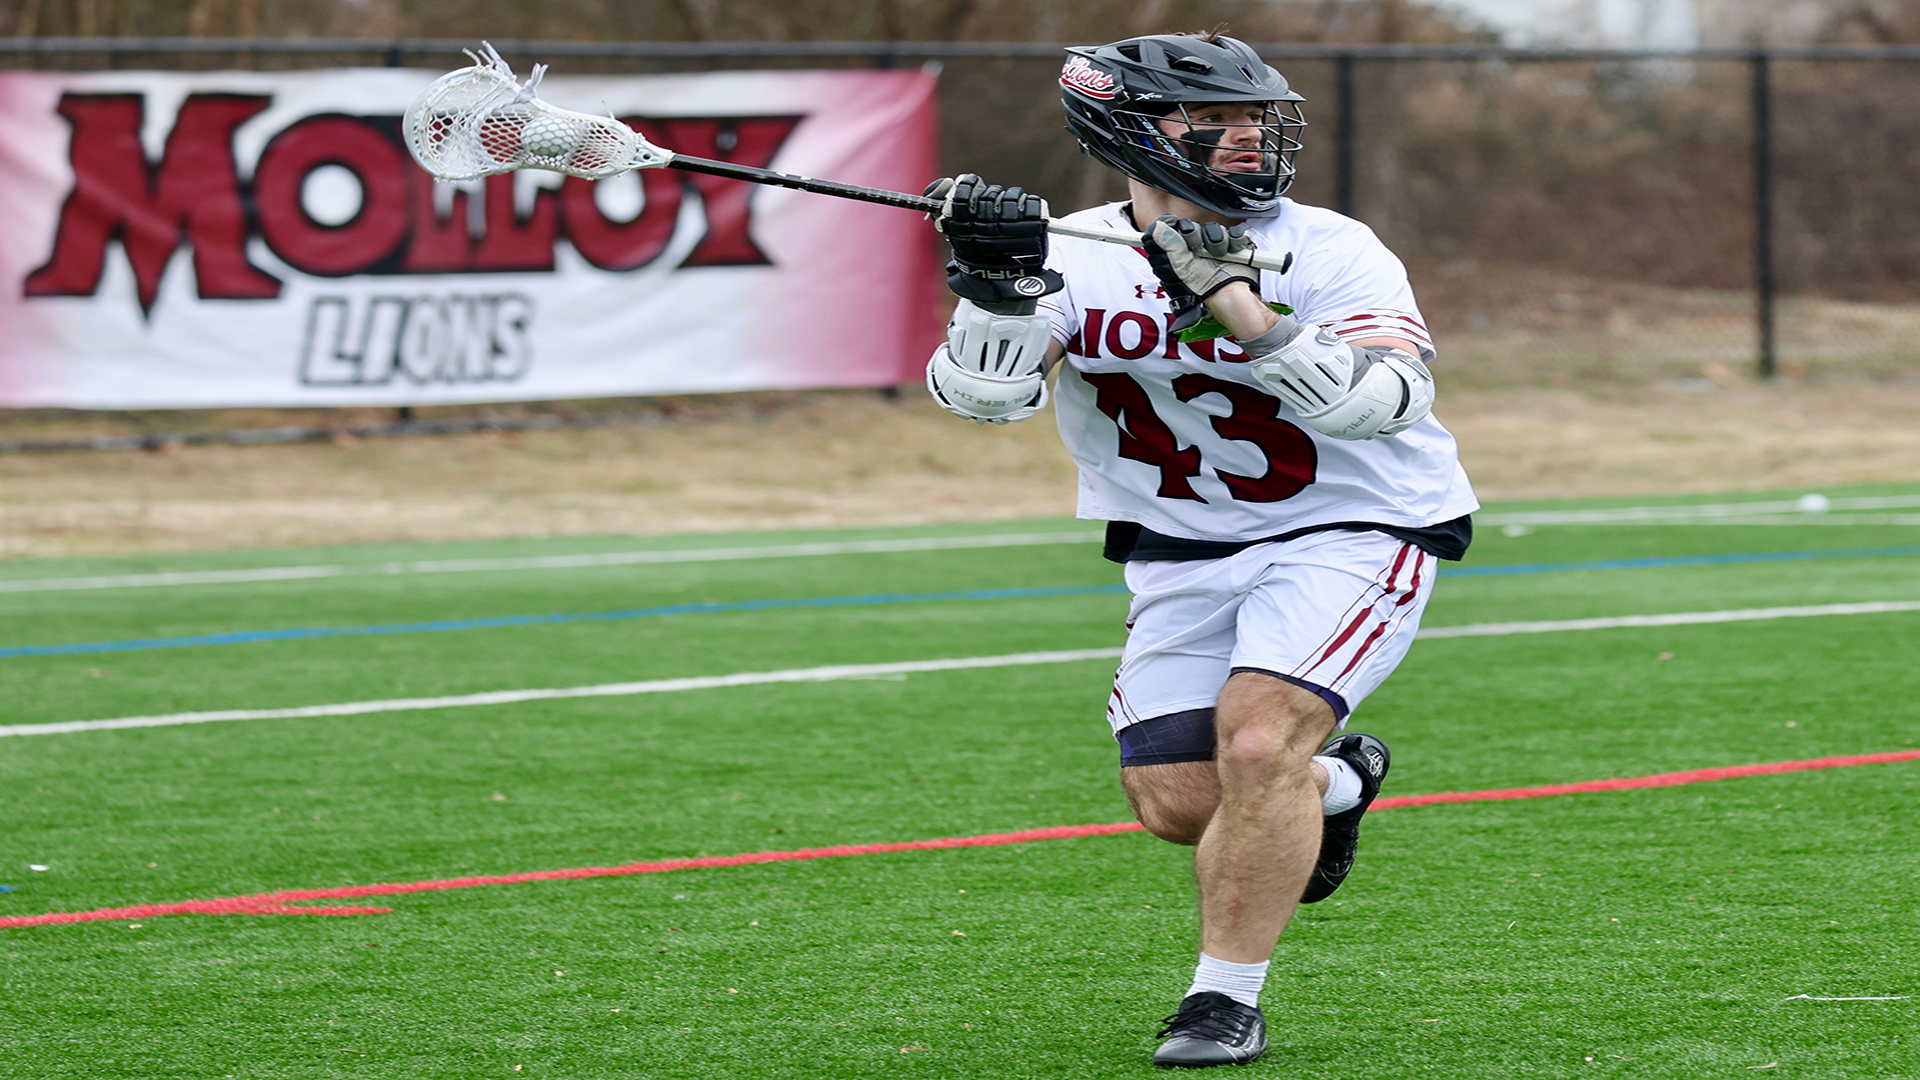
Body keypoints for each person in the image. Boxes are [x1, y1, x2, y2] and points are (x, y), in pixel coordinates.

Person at [920, 30, 1479, 1068]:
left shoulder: (1331, 247)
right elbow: (985, 400)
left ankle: (1222, 1001)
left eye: (1257, 121)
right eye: (1212, 122)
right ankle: (1340, 783)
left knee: (1259, 745)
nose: (1247, 141)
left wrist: (1233, 301)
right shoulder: (1073, 253)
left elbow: (1380, 403)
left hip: (1354, 524)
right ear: (1124, 133)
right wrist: (996, 290)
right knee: (1180, 799)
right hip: (1182, 545)